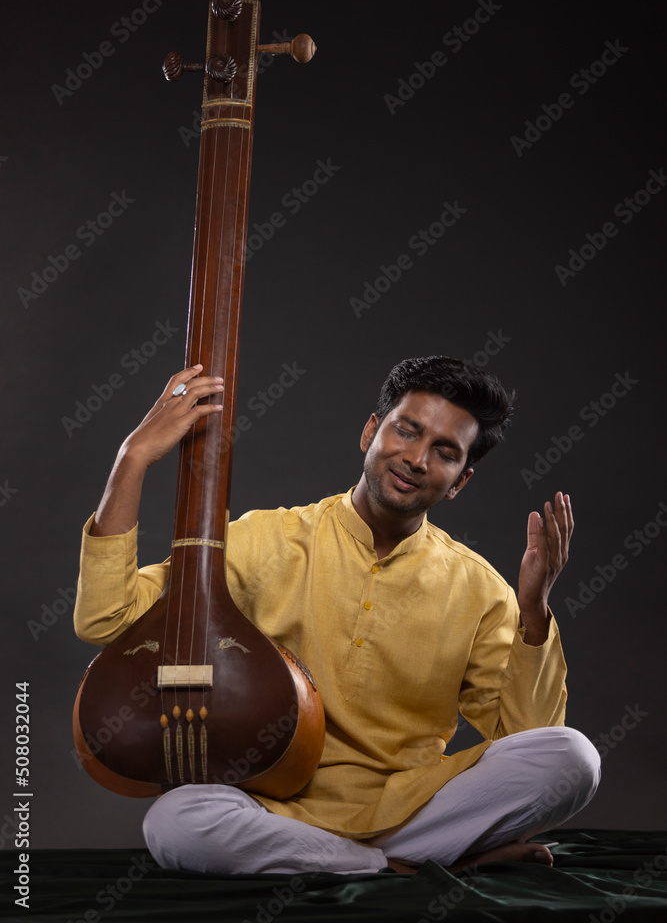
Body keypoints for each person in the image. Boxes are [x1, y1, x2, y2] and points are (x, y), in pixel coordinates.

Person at [74, 355, 601, 876]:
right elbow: (105, 618)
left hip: (413, 808)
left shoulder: (480, 588)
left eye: (443, 452)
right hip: (273, 807)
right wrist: (133, 457)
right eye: (406, 431)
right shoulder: (265, 540)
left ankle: (363, 860)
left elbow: (527, 740)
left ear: (460, 480)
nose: (416, 459)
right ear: (372, 430)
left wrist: (534, 612)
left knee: (574, 758)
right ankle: (402, 867)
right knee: (176, 821)